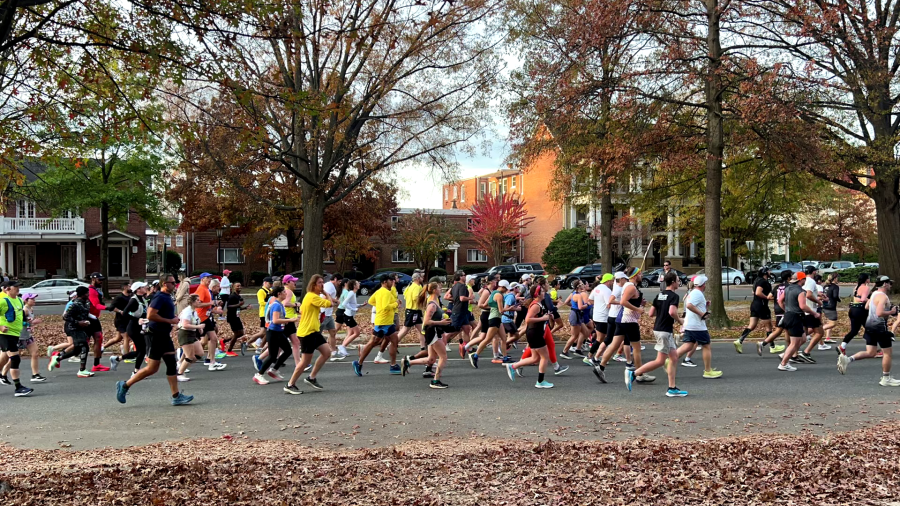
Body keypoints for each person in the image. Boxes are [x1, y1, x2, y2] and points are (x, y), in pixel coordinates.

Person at [116, 275, 193, 406]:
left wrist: (172, 318)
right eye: (172, 283)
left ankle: (176, 396)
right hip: (155, 335)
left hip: (163, 335)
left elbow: (161, 314)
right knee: (152, 368)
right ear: (164, 283)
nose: (175, 285)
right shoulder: (160, 297)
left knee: (171, 363)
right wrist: (170, 321)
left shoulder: (167, 297)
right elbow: (151, 315)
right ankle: (124, 385)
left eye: (176, 282)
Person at [627, 272, 687, 396]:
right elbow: (672, 312)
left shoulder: (659, 295)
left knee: (674, 357)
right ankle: (634, 373)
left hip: (660, 329)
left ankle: (672, 388)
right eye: (677, 280)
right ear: (673, 282)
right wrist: (681, 321)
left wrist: (662, 312)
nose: (678, 282)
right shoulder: (674, 296)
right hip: (664, 331)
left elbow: (651, 313)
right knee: (660, 361)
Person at [837, 276, 900, 385]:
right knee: (887, 353)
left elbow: (866, 306)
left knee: (871, 352)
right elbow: (880, 313)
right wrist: (891, 311)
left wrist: (878, 308)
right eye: (889, 283)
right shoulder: (883, 297)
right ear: (884, 284)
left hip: (869, 326)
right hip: (879, 327)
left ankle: (848, 360)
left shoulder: (874, 293)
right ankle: (886, 378)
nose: (890, 285)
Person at [285, 275, 336, 393]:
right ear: (313, 285)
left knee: (327, 352)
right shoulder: (312, 297)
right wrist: (325, 292)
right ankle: (290, 384)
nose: (322, 285)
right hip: (307, 333)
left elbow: (302, 310)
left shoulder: (310, 297)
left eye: (323, 282)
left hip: (314, 331)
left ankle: (311, 377)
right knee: (305, 361)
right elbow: (330, 303)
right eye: (320, 283)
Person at [402, 282, 452, 388]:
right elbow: (426, 321)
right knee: (443, 357)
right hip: (432, 332)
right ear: (434, 290)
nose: (441, 289)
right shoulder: (432, 304)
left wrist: (443, 315)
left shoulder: (435, 302)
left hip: (435, 331)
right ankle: (435, 381)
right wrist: (441, 323)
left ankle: (408, 362)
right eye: (439, 287)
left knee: (431, 359)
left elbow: (434, 317)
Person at [505, 284, 555, 388]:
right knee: (544, 357)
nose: (544, 292)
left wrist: (548, 316)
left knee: (535, 358)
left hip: (534, 332)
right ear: (537, 294)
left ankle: (513, 366)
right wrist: (543, 318)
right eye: (541, 291)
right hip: (535, 333)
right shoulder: (536, 305)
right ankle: (540, 382)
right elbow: (528, 319)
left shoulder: (539, 304)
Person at [676, 275, 723, 378]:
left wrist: (705, 307)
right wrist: (702, 314)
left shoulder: (693, 292)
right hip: (697, 326)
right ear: (703, 285)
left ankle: (670, 360)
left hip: (690, 324)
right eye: (705, 283)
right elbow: (689, 305)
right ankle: (708, 371)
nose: (706, 285)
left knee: (688, 345)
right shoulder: (698, 293)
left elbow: (692, 305)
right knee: (706, 346)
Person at [353, 275, 401, 376]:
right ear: (384, 282)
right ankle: (359, 363)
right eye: (389, 280)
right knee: (373, 342)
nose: (392, 282)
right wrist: (396, 304)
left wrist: (382, 304)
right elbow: (385, 306)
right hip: (382, 322)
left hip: (387, 322)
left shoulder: (379, 291)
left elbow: (371, 301)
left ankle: (393, 365)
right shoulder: (386, 292)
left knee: (394, 340)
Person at [48, 285, 95, 378]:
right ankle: (82, 370)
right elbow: (65, 316)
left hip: (81, 327)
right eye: (87, 293)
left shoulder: (86, 302)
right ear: (83, 294)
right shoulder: (75, 304)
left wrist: (90, 320)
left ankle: (58, 358)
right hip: (72, 327)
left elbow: (85, 313)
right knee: (84, 345)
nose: (88, 294)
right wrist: (78, 322)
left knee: (76, 349)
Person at [253, 286, 296, 385]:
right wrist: (290, 320)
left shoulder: (279, 304)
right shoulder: (276, 305)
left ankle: (274, 370)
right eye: (284, 292)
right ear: (279, 294)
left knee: (288, 350)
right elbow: (275, 320)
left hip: (278, 332)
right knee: (272, 356)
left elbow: (279, 318)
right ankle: (259, 375)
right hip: (272, 332)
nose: (286, 293)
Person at [0, 292, 45, 383]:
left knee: (35, 353)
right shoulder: (24, 310)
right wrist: (31, 323)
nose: (34, 300)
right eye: (32, 299)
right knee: (14, 358)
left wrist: (30, 326)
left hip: (27, 336)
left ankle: (35, 374)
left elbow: (26, 321)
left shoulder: (30, 308)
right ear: (26, 300)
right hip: (19, 336)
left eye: (34, 298)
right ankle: (3, 375)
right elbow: (19, 322)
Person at [468, 280, 512, 369]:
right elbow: (501, 310)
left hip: (495, 318)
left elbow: (484, 304)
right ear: (503, 287)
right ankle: (475, 355)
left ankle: (505, 357)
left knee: (504, 338)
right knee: (487, 339)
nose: (507, 291)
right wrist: (511, 308)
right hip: (495, 318)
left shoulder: (493, 293)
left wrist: (493, 307)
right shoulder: (499, 295)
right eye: (506, 289)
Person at [108, 282, 150, 375]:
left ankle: (118, 359)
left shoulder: (143, 298)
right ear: (138, 289)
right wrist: (137, 319)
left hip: (141, 327)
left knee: (141, 350)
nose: (146, 287)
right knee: (142, 350)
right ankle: (136, 372)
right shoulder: (133, 300)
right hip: (133, 327)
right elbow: (125, 313)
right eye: (143, 287)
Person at [0, 281, 33, 396]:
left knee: (4, 359)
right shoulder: (3, 301)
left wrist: (27, 321)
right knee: (15, 358)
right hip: (4, 334)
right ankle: (18, 388)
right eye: (16, 287)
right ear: (7, 289)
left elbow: (21, 315)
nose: (18, 288)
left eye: (19, 286)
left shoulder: (19, 300)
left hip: (15, 334)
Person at [735, 266, 773, 353]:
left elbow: (753, 292)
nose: (770, 272)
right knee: (769, 326)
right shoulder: (763, 281)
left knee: (752, 325)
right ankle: (772, 346)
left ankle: (739, 340)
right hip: (762, 305)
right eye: (768, 271)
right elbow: (757, 292)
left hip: (754, 305)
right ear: (765, 273)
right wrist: (766, 297)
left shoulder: (757, 281)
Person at [194, 273, 226, 371]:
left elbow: (208, 306)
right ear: (202, 279)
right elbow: (197, 305)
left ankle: (211, 362)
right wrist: (211, 303)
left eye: (210, 278)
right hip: (200, 318)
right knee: (199, 341)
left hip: (206, 317)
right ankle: (182, 358)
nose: (209, 279)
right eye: (207, 278)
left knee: (213, 338)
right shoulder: (201, 289)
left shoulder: (206, 289)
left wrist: (215, 308)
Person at [757, 270, 790, 355]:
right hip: (785, 309)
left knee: (782, 330)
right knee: (784, 330)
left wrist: (776, 299)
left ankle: (790, 348)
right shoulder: (789, 286)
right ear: (789, 277)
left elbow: (768, 296)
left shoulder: (777, 287)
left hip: (777, 309)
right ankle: (790, 349)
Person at [175, 294, 206, 382]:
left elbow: (194, 321)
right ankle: (180, 373)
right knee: (190, 356)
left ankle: (181, 365)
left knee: (199, 354)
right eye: (197, 300)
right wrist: (198, 326)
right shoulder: (187, 311)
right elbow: (185, 324)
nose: (199, 301)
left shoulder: (194, 311)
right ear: (192, 302)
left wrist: (198, 328)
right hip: (185, 334)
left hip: (192, 334)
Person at [86, 272, 112, 373]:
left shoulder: (97, 290)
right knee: (82, 344)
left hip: (95, 318)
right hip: (89, 318)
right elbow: (96, 305)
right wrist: (108, 308)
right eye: (99, 280)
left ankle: (96, 364)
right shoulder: (91, 291)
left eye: (102, 280)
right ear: (93, 279)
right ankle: (58, 356)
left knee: (99, 339)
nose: (101, 281)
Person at [840, 273, 871, 355]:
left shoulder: (856, 287)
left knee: (854, 331)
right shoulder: (866, 288)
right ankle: (872, 349)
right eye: (869, 278)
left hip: (853, 310)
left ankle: (842, 346)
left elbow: (856, 298)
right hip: (861, 310)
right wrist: (871, 299)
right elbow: (863, 299)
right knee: (870, 329)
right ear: (866, 279)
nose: (870, 279)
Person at [587, 273, 614, 366]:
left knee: (602, 338)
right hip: (604, 317)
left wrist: (598, 304)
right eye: (612, 280)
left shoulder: (597, 288)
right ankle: (590, 357)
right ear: (608, 281)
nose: (613, 282)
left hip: (596, 316)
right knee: (603, 338)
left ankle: (597, 356)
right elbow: (609, 304)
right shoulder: (607, 290)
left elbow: (589, 300)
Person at [335, 280, 366, 358]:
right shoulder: (351, 293)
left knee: (352, 333)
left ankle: (342, 347)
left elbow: (353, 304)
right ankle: (342, 346)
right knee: (356, 333)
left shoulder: (353, 293)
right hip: (348, 316)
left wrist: (361, 305)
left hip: (349, 316)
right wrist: (354, 309)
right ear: (354, 285)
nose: (359, 284)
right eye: (358, 283)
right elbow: (344, 303)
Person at [560, 281, 587, 360]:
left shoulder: (573, 294)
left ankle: (578, 349)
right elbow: (580, 307)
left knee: (585, 332)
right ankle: (564, 351)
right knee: (574, 335)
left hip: (576, 314)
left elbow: (566, 302)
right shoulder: (578, 295)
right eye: (582, 284)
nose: (583, 285)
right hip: (576, 315)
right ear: (578, 286)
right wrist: (588, 304)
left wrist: (572, 306)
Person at [105, 282, 133, 356]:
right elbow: (111, 307)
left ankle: (102, 348)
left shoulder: (131, 297)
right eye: (130, 286)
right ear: (125, 287)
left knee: (118, 338)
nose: (131, 287)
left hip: (128, 320)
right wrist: (120, 311)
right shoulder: (119, 297)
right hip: (120, 321)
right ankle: (127, 356)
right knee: (126, 336)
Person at [223, 283, 249, 356]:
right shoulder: (232, 296)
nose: (239, 287)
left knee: (241, 333)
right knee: (237, 333)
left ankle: (225, 341)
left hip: (236, 316)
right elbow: (228, 306)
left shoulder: (238, 296)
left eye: (240, 286)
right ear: (234, 287)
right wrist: (238, 305)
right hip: (231, 317)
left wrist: (245, 307)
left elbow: (237, 308)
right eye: (237, 286)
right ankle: (229, 350)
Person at [250, 276, 273, 352]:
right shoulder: (261, 291)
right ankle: (249, 342)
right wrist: (271, 303)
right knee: (264, 332)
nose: (271, 285)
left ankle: (257, 343)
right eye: (270, 283)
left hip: (269, 314)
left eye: (272, 283)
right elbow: (261, 302)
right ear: (265, 283)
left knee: (265, 332)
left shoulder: (270, 290)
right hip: (264, 314)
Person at [320, 274, 342, 351]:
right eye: (339, 281)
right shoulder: (329, 286)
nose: (340, 283)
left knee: (333, 332)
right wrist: (336, 300)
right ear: (335, 279)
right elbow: (325, 297)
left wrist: (334, 303)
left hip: (328, 314)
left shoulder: (329, 286)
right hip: (323, 313)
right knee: (316, 335)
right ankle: (305, 352)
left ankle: (333, 352)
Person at [821, 273, 840, 344]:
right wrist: (839, 299)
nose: (838, 279)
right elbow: (835, 296)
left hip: (825, 305)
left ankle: (827, 338)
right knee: (833, 323)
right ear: (834, 279)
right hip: (831, 306)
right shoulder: (835, 287)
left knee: (829, 321)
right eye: (837, 278)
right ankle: (818, 330)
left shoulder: (825, 286)